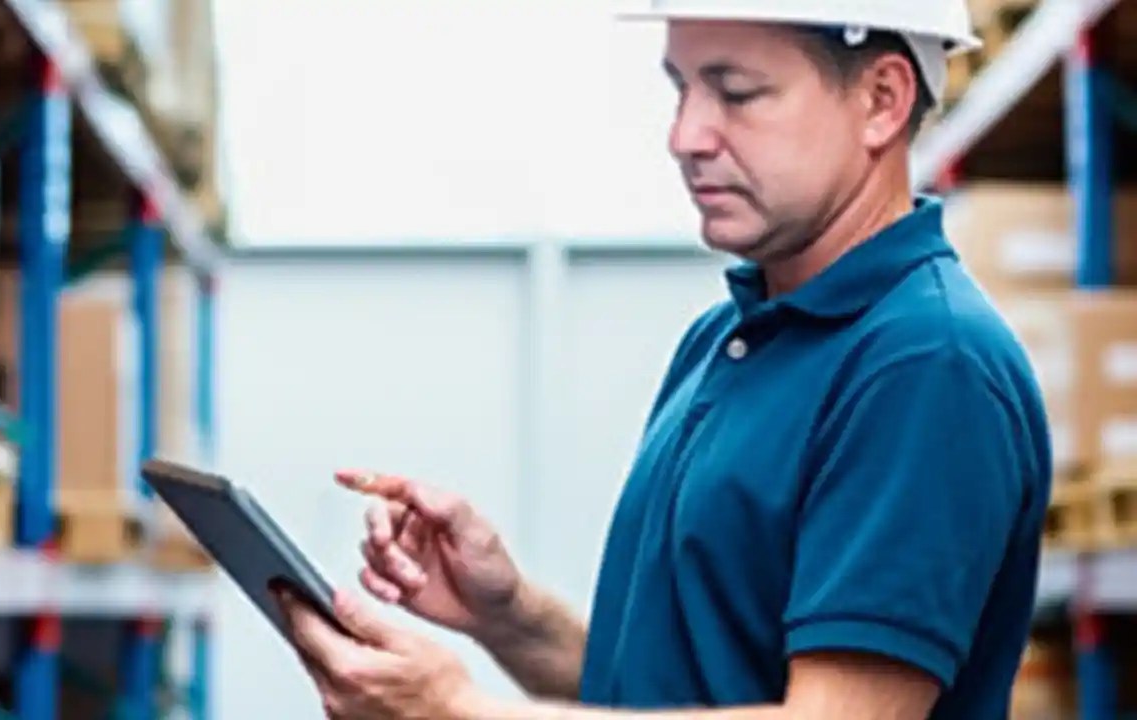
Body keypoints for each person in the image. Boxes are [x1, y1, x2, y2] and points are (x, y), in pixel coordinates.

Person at [274, 1, 1054, 718]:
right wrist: (510, 614)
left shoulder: (926, 364)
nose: (686, 136)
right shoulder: (726, 339)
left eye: (737, 93)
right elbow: (671, 690)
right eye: (682, 89)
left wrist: (454, 710)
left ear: (881, 100)